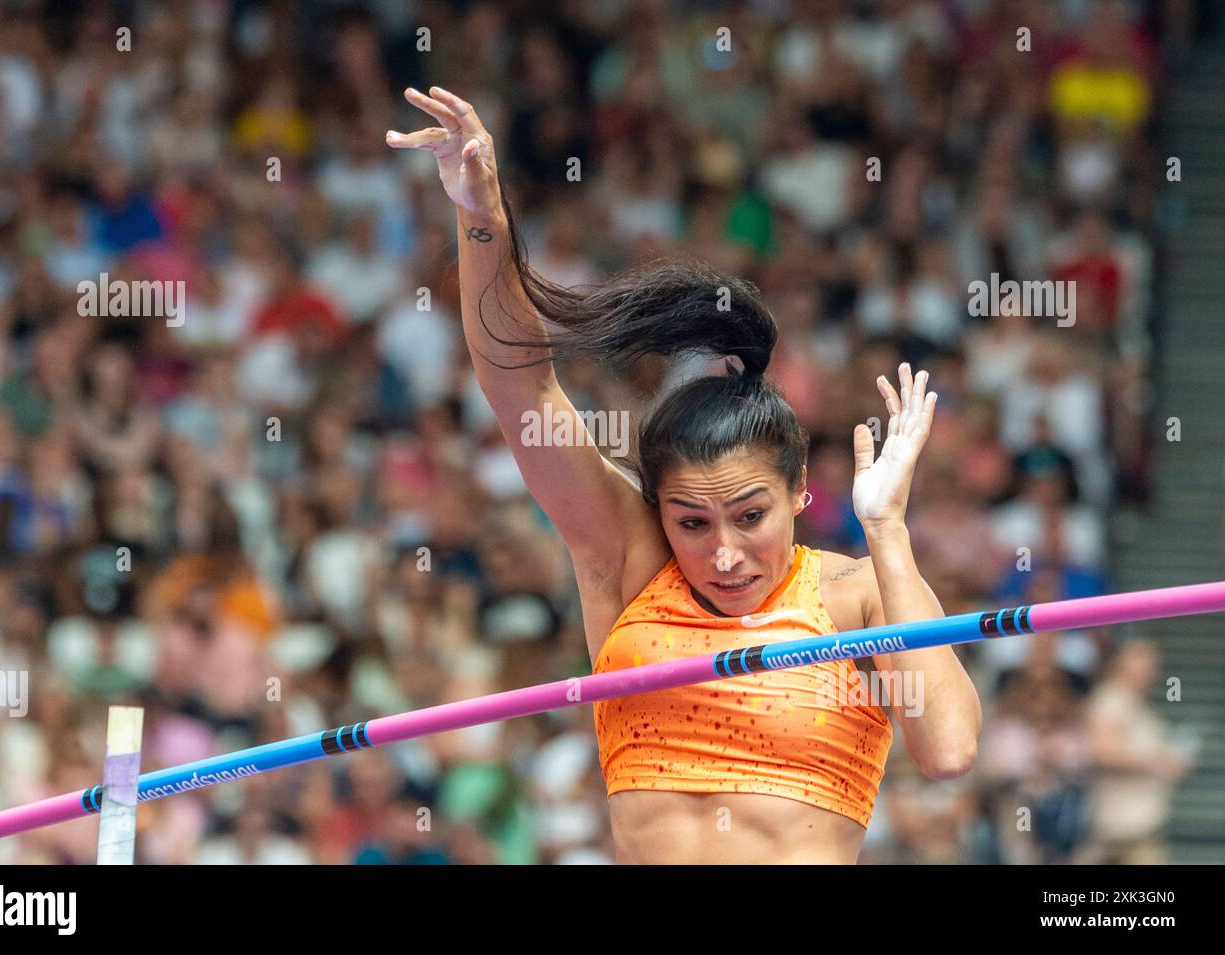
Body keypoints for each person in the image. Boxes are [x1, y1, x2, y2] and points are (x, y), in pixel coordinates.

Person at [387, 86, 981, 864]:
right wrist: (481, 215)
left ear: (801, 491)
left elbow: (947, 749)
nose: (724, 553)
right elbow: (522, 390)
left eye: (750, 515)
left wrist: (888, 531)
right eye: (692, 523)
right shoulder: (630, 564)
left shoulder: (861, 595)